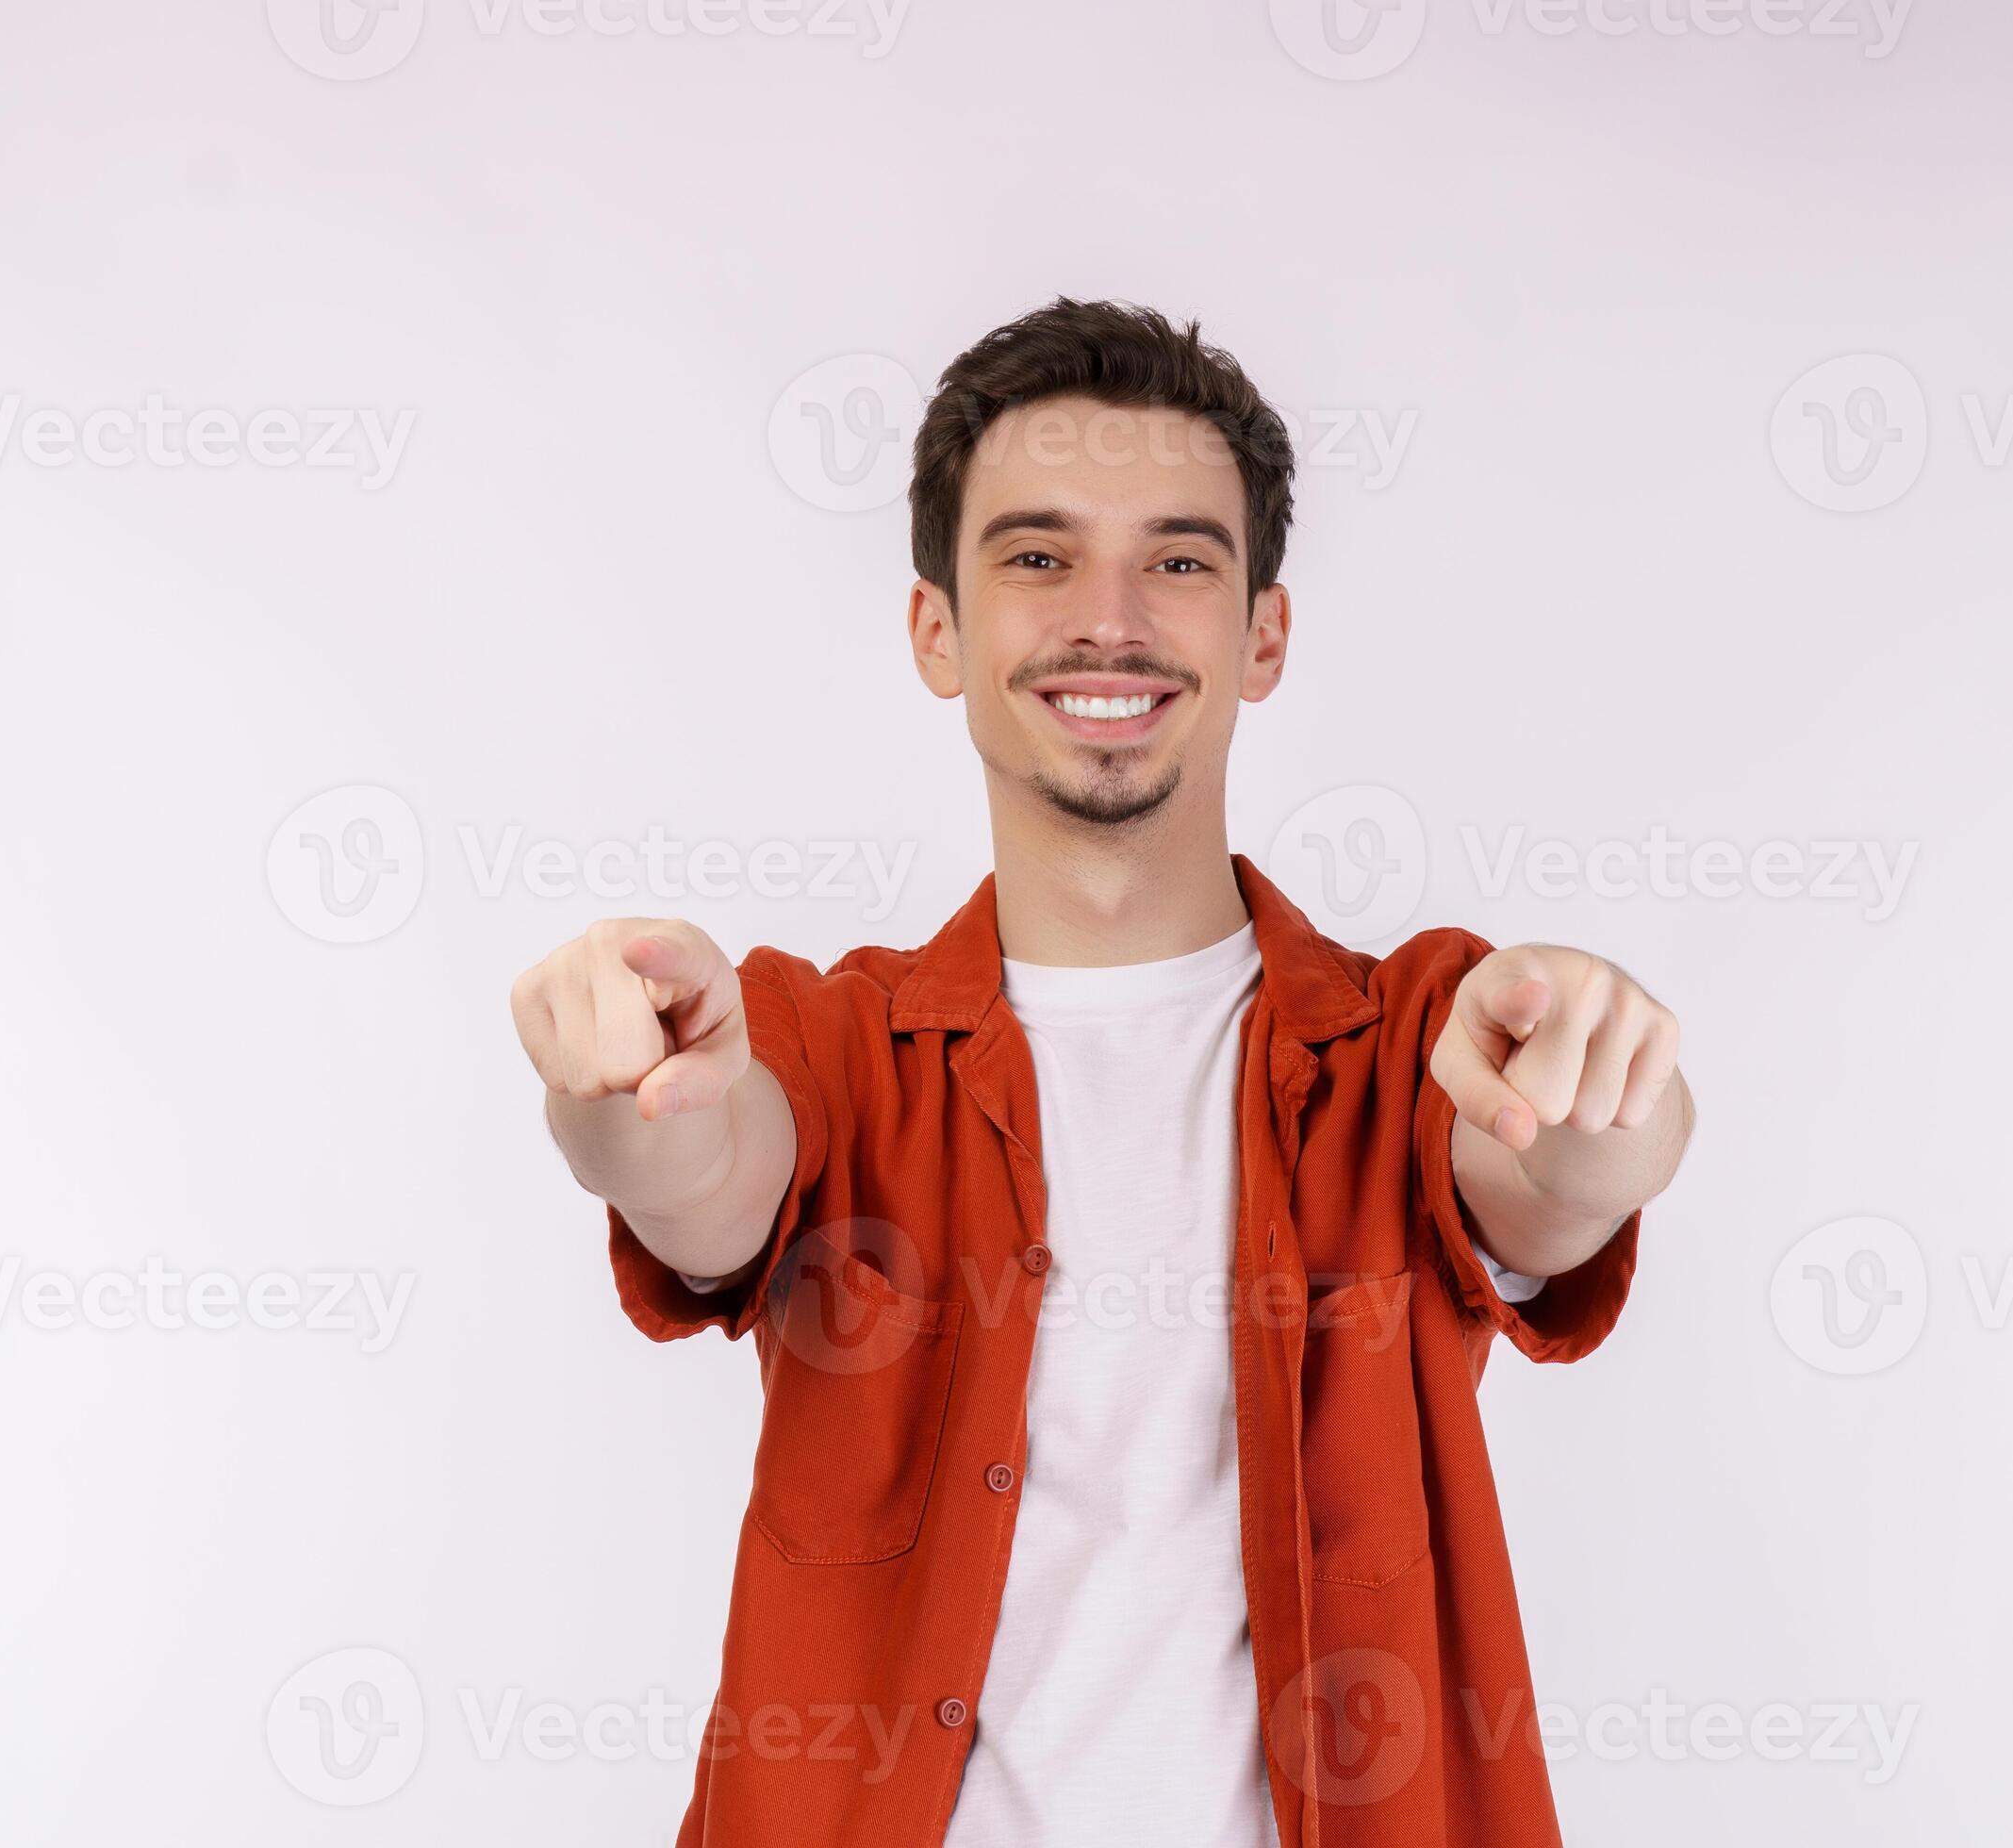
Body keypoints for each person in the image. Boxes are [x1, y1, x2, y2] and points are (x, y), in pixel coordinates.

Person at [508, 298, 1695, 1848]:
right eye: (1038, 556)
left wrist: (1608, 1085)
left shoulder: (1413, 1039)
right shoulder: (832, 1046)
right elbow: (702, 1173)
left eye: (1182, 560)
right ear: (939, 628)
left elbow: (1557, 1182)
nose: (1111, 619)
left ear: (1264, 634)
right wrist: (620, 1097)